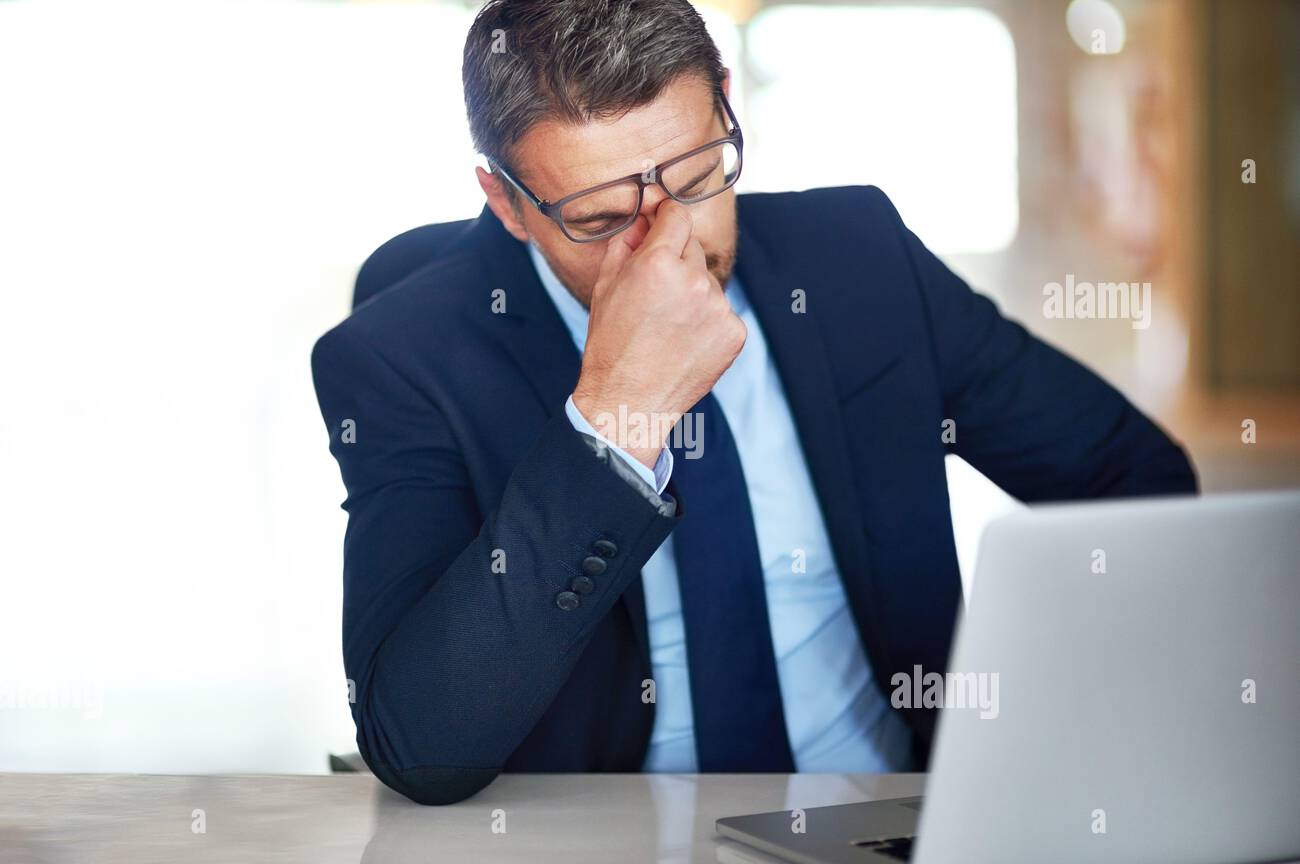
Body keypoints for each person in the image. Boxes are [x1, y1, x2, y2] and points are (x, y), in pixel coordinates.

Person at [310, 0, 1196, 805]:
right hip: (606, 842)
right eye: (599, 215)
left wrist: (1026, 733)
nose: (669, 244)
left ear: (728, 106)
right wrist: (613, 421)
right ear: (505, 200)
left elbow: (1138, 484)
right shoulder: (399, 358)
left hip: (891, 813)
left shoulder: (861, 260)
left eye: (695, 175)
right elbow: (420, 744)